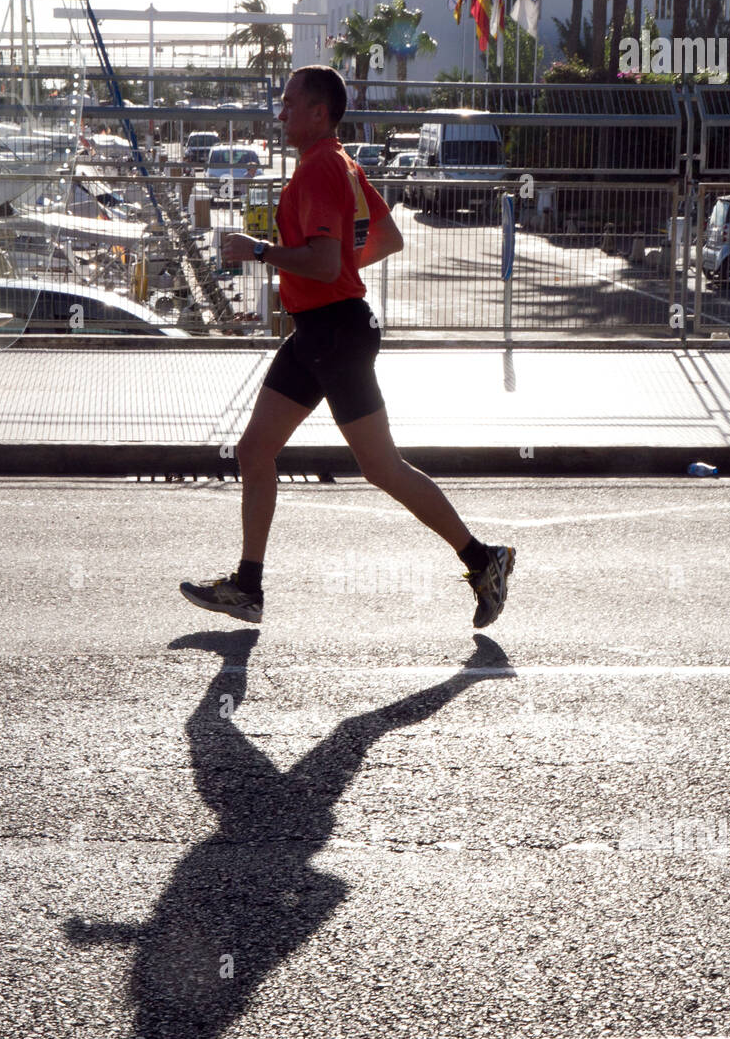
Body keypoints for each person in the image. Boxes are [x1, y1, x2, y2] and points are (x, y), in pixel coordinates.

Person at [180, 66, 515, 629]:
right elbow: (388, 238)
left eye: (289, 103)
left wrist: (263, 251)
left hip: (334, 333)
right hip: (321, 330)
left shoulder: (319, 172)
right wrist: (332, 270)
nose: (280, 112)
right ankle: (248, 587)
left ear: (319, 112)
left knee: (381, 466)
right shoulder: (344, 165)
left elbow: (325, 258)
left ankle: (485, 559)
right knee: (254, 451)